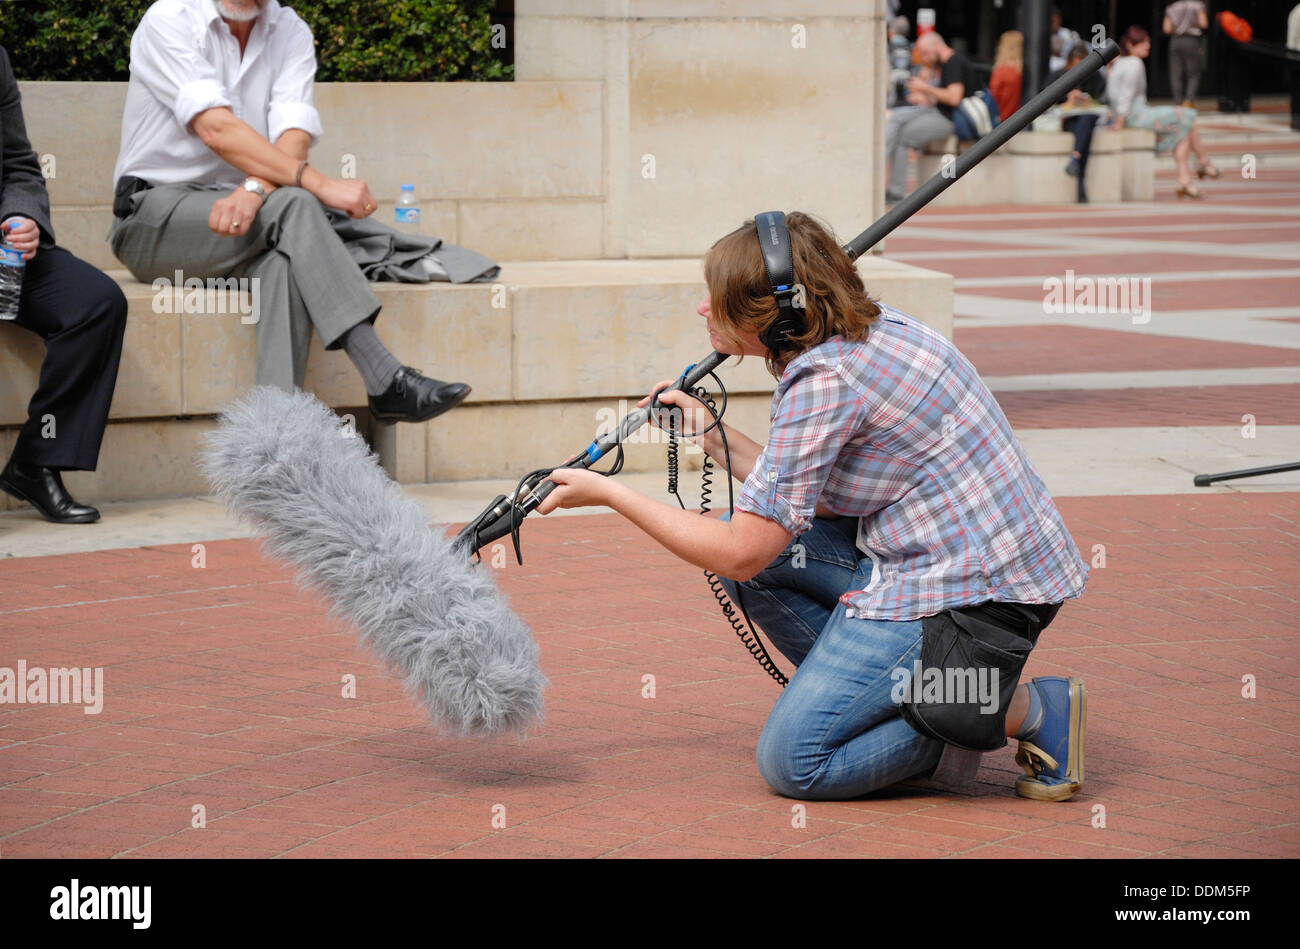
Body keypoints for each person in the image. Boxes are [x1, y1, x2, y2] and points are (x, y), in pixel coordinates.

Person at [537, 212, 1089, 802]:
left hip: (969, 595)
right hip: (950, 561)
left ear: (774, 319)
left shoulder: (825, 381)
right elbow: (807, 497)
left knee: (795, 761)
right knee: (762, 552)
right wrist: (709, 435)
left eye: (717, 298)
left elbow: (743, 553)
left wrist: (608, 494)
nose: (703, 308)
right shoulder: (871, 332)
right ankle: (887, 698)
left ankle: (1013, 709)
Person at [109, 0, 473, 420]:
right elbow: (215, 127)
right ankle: (384, 376)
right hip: (153, 220)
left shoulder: (290, 30)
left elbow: (293, 137)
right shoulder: (169, 19)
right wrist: (320, 185)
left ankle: (275, 437)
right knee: (299, 202)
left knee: (283, 265)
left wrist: (252, 188)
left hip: (250, 221)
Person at [0, 46, 128, 524]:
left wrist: (20, 215)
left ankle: (37, 461)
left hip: (4, 253)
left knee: (95, 303)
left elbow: (18, 166)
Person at [1108, 25, 1220, 199]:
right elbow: (1126, 95)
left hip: (1128, 114)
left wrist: (1116, 115)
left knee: (1184, 129)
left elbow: (1114, 95)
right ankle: (1204, 162)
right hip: (1135, 115)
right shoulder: (1134, 63)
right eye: (1143, 43)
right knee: (1186, 115)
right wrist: (1120, 121)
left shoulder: (1118, 63)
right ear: (1130, 44)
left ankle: (1185, 180)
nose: (1148, 46)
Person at [884, 31, 973, 204]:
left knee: (902, 136)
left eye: (925, 53)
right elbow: (943, 97)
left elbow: (954, 98)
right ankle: (891, 182)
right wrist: (924, 95)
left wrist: (925, 88)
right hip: (941, 113)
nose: (925, 58)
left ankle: (895, 192)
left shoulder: (953, 62)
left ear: (936, 46)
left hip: (952, 120)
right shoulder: (945, 64)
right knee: (897, 119)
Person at [1046, 42, 1109, 203]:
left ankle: (1075, 159)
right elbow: (1046, 103)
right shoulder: (1057, 75)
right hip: (1067, 120)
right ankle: (1080, 184)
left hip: (1087, 119)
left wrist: (1087, 100)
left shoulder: (1095, 77)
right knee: (1085, 133)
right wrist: (1067, 101)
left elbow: (1102, 100)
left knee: (1086, 122)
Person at [1163, 1, 1209, 107]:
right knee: (1193, 73)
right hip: (1192, 40)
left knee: (1175, 73)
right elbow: (1204, 23)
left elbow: (1166, 29)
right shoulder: (1197, 5)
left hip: (1175, 40)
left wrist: (1179, 27)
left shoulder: (1172, 7)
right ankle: (1189, 101)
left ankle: (1177, 102)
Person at [989, 30, 1023, 124]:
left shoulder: (1001, 71)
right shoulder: (1020, 70)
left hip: (1000, 119)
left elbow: (993, 96)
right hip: (1017, 118)